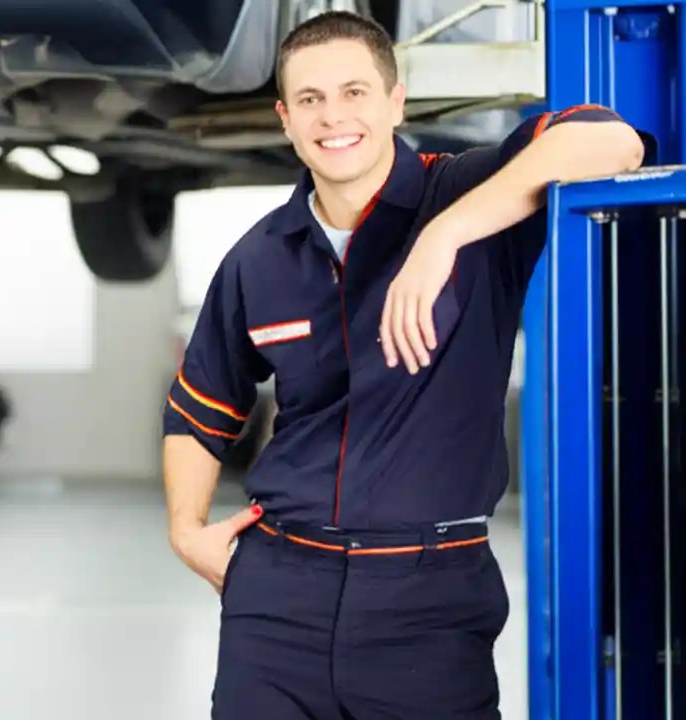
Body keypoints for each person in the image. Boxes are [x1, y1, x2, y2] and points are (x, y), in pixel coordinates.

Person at [161, 11, 644, 720]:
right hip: (275, 599)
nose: (334, 117)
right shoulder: (258, 258)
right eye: (311, 100)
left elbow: (614, 140)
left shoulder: (472, 196)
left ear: (395, 101)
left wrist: (443, 236)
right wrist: (185, 526)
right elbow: (201, 406)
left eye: (355, 92)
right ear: (285, 120)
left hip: (429, 602)